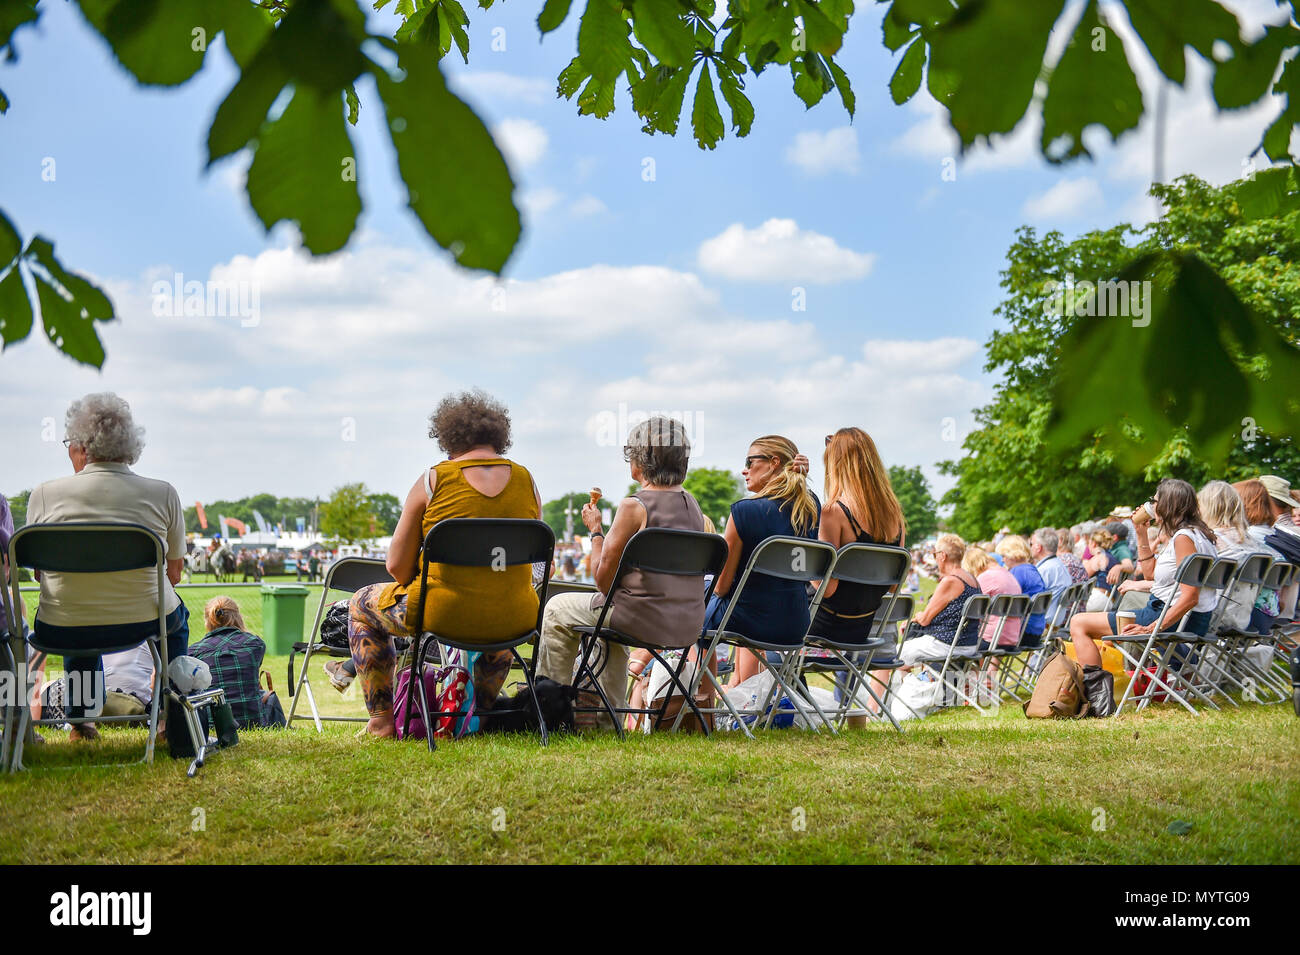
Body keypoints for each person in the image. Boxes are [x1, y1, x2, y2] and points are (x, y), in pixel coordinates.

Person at [346, 390, 542, 738]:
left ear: (448, 439)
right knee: (495, 629)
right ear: (499, 437)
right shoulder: (528, 482)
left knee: (360, 604)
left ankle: (381, 722)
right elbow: (538, 562)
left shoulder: (432, 482)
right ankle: (477, 717)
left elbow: (397, 568)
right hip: (516, 617)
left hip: (444, 611)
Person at [25, 393, 189, 742]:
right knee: (175, 622)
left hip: (61, 628)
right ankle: (170, 716)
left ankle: (82, 724)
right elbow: (173, 576)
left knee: (75, 610)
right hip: (144, 621)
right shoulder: (164, 494)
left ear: (82, 447)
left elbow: (41, 576)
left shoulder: (42, 495)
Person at [536, 416, 707, 728]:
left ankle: (550, 711)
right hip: (687, 624)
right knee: (606, 626)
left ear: (636, 466)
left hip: (642, 620)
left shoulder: (634, 506)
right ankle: (607, 720)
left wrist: (596, 531)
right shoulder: (692, 505)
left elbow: (603, 581)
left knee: (556, 609)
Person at [1069, 478, 1219, 670]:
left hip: (1171, 617)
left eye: (1154, 500)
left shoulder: (1184, 538)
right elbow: (1150, 575)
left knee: (1079, 623)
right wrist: (1141, 534)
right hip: (1189, 617)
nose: (1151, 505)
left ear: (1167, 505)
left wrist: (1152, 628)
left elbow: (1190, 597)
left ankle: (1095, 690)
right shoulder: (1199, 536)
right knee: (1124, 604)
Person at [707, 435, 821, 687]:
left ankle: (702, 701)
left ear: (773, 462)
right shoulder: (811, 508)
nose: (744, 469)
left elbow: (721, 587)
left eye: (750, 461)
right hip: (794, 623)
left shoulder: (743, 512)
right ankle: (739, 689)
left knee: (697, 611)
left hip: (748, 620)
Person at [899, 533, 982, 666]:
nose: (935, 559)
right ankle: (919, 684)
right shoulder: (973, 580)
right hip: (969, 644)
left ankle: (885, 687)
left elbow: (925, 619)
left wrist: (917, 616)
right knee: (905, 660)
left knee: (893, 655)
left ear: (942, 556)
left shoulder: (951, 581)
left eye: (935, 555)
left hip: (947, 644)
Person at [963, 546, 1021, 648]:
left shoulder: (986, 577)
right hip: (1011, 636)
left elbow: (969, 608)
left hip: (990, 637)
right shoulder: (1008, 575)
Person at [998, 534, 1046, 643]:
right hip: (1036, 630)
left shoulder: (1017, 572)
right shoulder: (1031, 569)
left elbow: (1004, 603)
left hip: (1023, 631)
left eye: (1004, 555)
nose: (1003, 560)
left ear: (1013, 555)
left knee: (981, 635)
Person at [1031, 527, 1072, 624]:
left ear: (1038, 547)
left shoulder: (1044, 570)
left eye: (1031, 544)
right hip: (1056, 621)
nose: (1030, 547)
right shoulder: (1060, 565)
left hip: (1042, 623)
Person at [1082, 527, 1120, 612]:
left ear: (1094, 544)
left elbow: (1082, 577)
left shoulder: (1099, 557)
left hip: (1098, 599)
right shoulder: (1112, 557)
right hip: (1110, 599)